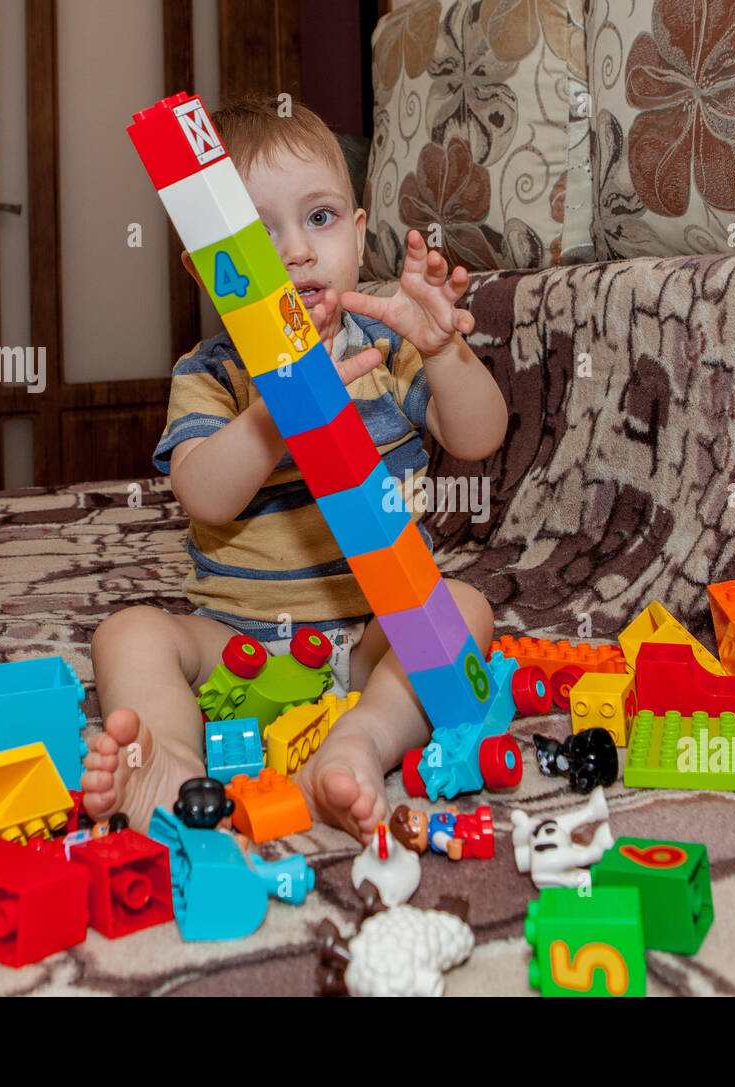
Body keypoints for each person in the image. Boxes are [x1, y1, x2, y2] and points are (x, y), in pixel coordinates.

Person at [80, 96, 507, 841]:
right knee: (128, 633)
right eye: (255, 236)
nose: (296, 252)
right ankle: (172, 764)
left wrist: (443, 351)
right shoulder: (211, 371)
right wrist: (269, 419)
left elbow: (480, 436)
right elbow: (203, 494)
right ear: (209, 271)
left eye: (319, 218)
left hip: (372, 630)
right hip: (236, 641)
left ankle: (359, 743)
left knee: (465, 607)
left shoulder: (385, 348)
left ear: (360, 230)